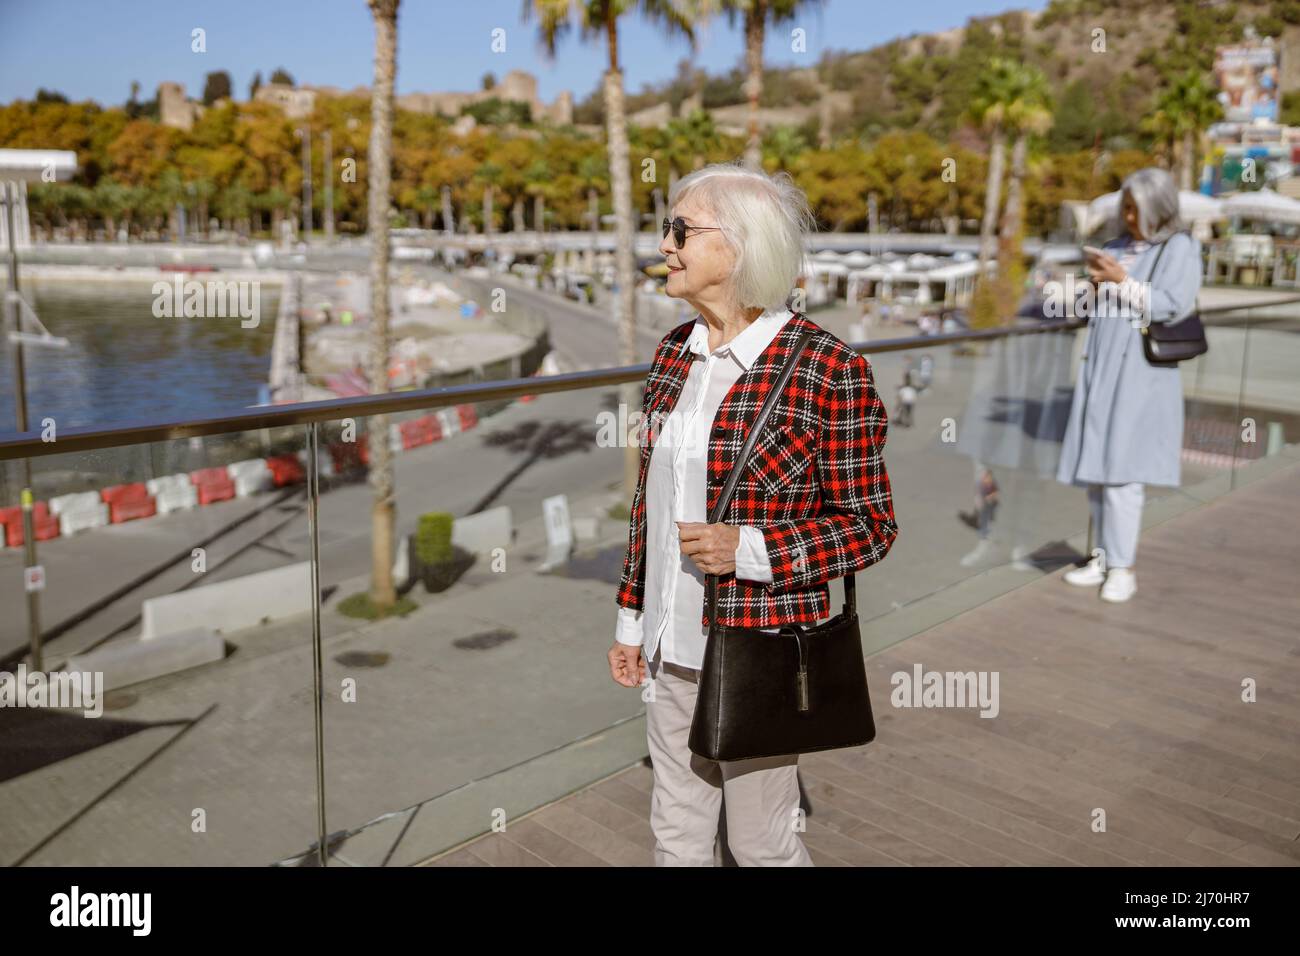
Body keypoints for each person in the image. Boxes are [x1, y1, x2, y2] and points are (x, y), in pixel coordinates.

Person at [608, 162, 898, 866]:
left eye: (681, 229)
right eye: (666, 228)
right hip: (667, 642)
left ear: (737, 248)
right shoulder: (673, 355)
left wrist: (750, 549)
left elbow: (869, 525)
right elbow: (650, 503)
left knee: (762, 842)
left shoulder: (828, 369)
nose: (665, 245)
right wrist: (629, 619)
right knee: (675, 831)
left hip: (758, 644)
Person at [1056, 167, 1201, 602]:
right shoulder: (1116, 246)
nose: (1130, 217)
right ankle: (1102, 556)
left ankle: (1124, 567)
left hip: (1140, 372)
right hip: (1099, 365)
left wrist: (1122, 281)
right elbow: (1088, 308)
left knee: (1123, 472)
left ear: (1160, 208)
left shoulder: (1180, 247)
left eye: (1137, 209)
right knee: (1098, 471)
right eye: (1126, 208)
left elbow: (1171, 305)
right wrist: (1094, 285)